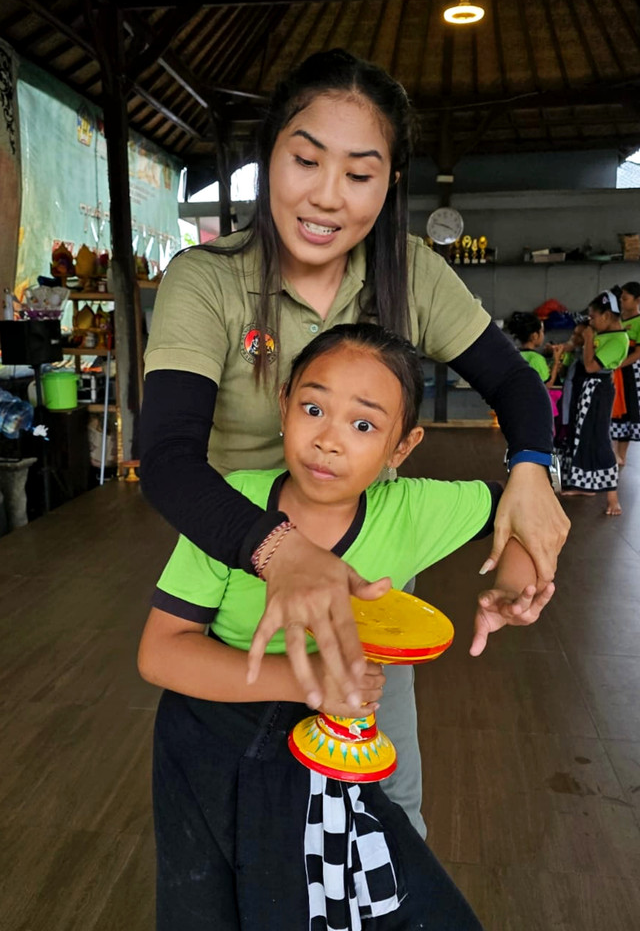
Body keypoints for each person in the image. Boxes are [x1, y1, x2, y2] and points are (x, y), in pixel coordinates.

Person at [140, 48, 569, 835]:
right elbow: (166, 459)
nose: (326, 196)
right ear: (269, 154)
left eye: (360, 173)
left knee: (387, 812)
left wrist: (532, 475)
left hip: (363, 603)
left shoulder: (409, 271)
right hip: (232, 582)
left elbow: (515, 385)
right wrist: (280, 551)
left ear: (390, 183)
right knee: (243, 814)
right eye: (305, 160)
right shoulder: (205, 280)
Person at [139, 324, 554, 931]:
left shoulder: (412, 510)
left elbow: (519, 513)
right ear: (284, 407)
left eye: (363, 425)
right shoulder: (229, 507)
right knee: (212, 908)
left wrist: (515, 588)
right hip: (213, 735)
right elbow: (161, 654)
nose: (329, 440)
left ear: (401, 447)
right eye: (313, 408)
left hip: (337, 741)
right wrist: (309, 685)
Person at [559, 291, 629, 515]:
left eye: (594, 316)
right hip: (584, 388)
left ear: (607, 315)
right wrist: (579, 338)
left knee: (599, 437)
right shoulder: (601, 332)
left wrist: (588, 339)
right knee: (580, 434)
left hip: (598, 391)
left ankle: (612, 498)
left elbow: (591, 366)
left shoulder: (619, 339)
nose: (591, 321)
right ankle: (582, 484)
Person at [610, 281, 640, 467]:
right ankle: (613, 453)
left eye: (625, 298)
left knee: (628, 409)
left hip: (629, 371)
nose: (622, 302)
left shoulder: (638, 322)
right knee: (613, 409)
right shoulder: (618, 320)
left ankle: (622, 455)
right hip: (616, 371)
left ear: (637, 300)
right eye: (621, 298)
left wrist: (619, 365)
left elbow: (638, 352)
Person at [505, 311, 550, 383]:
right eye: (542, 331)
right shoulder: (536, 358)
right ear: (535, 336)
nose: (543, 335)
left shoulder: (513, 355)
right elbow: (547, 385)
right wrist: (556, 362)